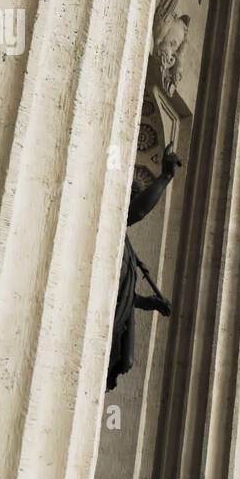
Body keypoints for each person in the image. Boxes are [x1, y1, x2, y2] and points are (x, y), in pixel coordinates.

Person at [106, 143, 183, 391]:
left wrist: (147, 303)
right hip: (107, 320)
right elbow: (138, 211)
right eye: (134, 197)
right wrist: (165, 176)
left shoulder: (126, 246)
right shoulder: (110, 228)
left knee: (125, 361)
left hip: (119, 319)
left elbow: (122, 292)